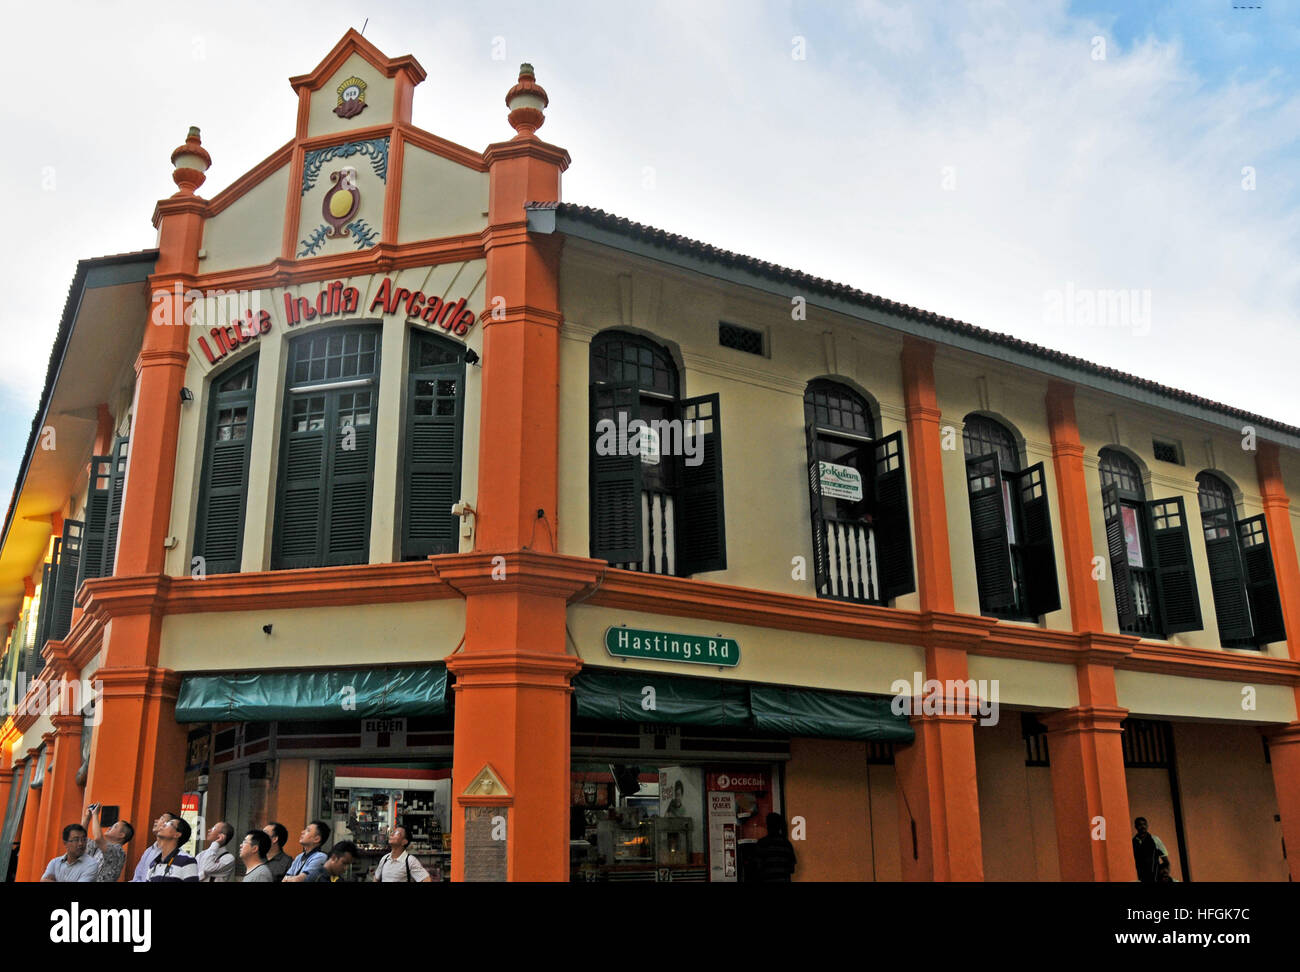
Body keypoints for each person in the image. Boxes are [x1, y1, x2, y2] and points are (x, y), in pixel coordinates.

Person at [83, 804, 133, 883]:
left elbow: (98, 838)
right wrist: (87, 818)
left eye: (115, 826)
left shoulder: (119, 851)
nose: (109, 827)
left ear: (121, 835)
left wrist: (95, 814)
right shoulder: (100, 847)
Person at [146, 817, 200, 882]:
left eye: (170, 824)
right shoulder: (154, 863)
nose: (163, 824)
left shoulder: (187, 861)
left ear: (177, 835)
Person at [130, 811, 179, 882]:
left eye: (162, 819)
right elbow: (137, 876)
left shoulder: (176, 854)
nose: (156, 821)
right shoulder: (149, 850)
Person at [755, 812, 797, 882]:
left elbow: (757, 867)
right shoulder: (787, 844)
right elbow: (791, 869)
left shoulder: (762, 844)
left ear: (768, 825)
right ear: (779, 826)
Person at [1133, 817, 1171, 883]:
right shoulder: (1133, 842)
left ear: (1147, 826)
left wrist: (1164, 875)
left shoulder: (1155, 839)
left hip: (1155, 877)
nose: (1142, 826)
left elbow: (1166, 861)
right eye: (1140, 825)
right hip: (1141, 877)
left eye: (1144, 824)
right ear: (1136, 827)